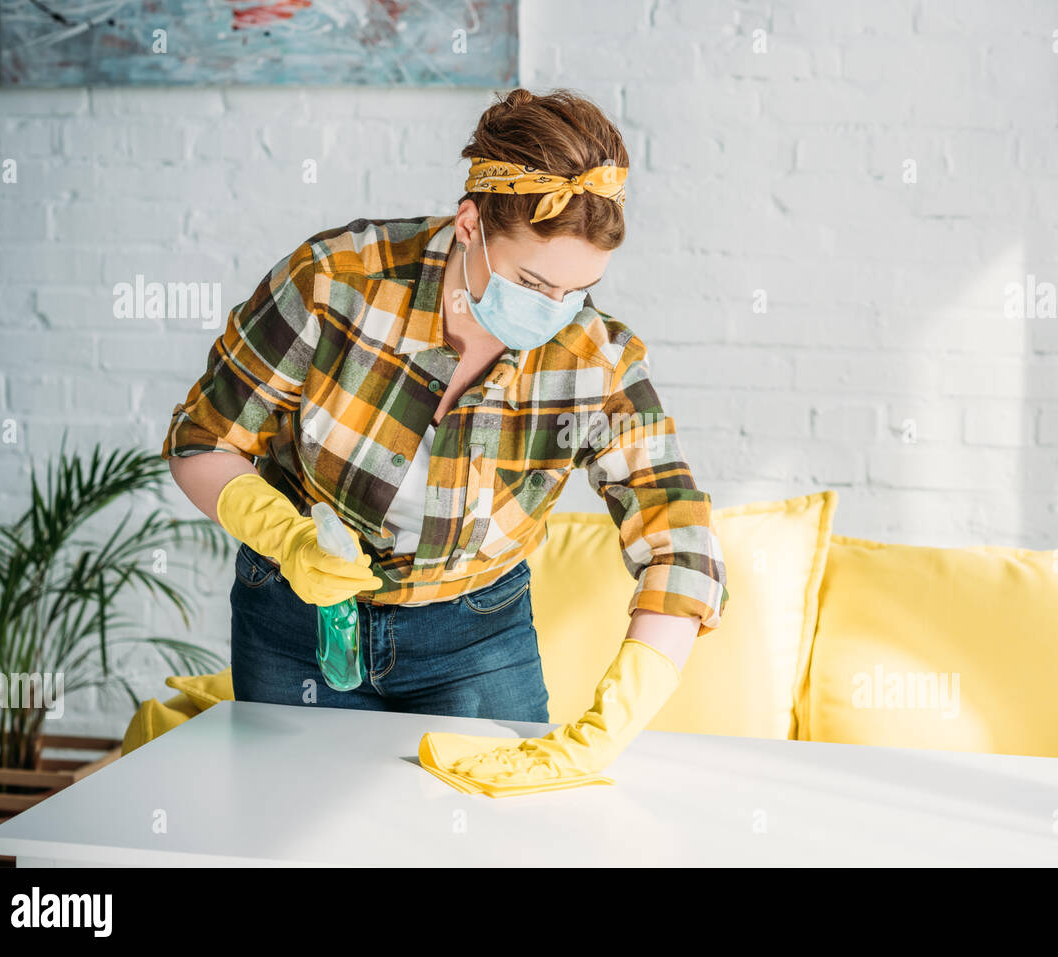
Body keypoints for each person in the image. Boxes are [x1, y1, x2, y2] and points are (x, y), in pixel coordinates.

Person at [162, 87, 727, 782]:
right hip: (296, 625)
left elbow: (682, 542)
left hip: (476, 636)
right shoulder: (335, 282)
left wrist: (605, 733)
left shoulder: (594, 359)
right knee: (292, 832)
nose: (554, 313)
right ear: (469, 224)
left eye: (578, 291)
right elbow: (202, 441)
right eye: (531, 282)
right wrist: (289, 538)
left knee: (502, 845)